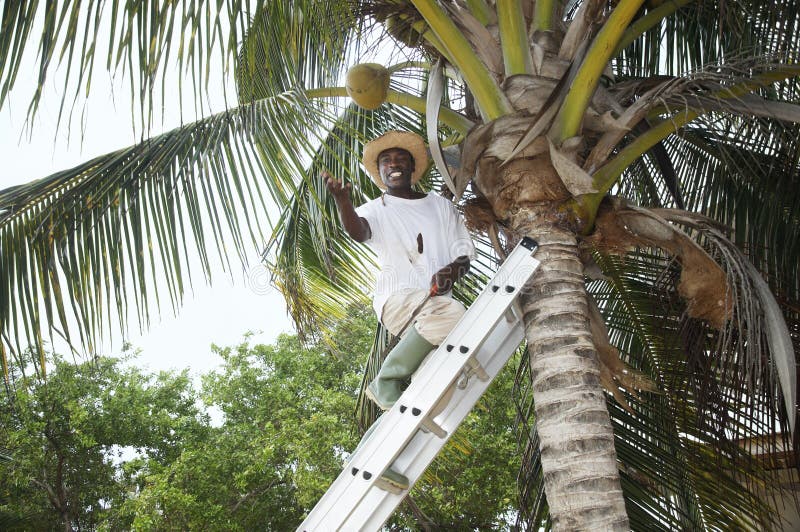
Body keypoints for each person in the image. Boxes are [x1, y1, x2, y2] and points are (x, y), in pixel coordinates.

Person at [324, 130, 475, 490]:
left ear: (411, 168)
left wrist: (450, 271)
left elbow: (463, 252)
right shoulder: (376, 209)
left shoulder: (439, 206)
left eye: (400, 159)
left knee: (435, 388)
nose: (394, 164)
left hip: (432, 300)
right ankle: (386, 379)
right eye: (386, 161)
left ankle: (374, 456)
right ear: (380, 172)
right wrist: (343, 201)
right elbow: (358, 232)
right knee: (456, 316)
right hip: (398, 298)